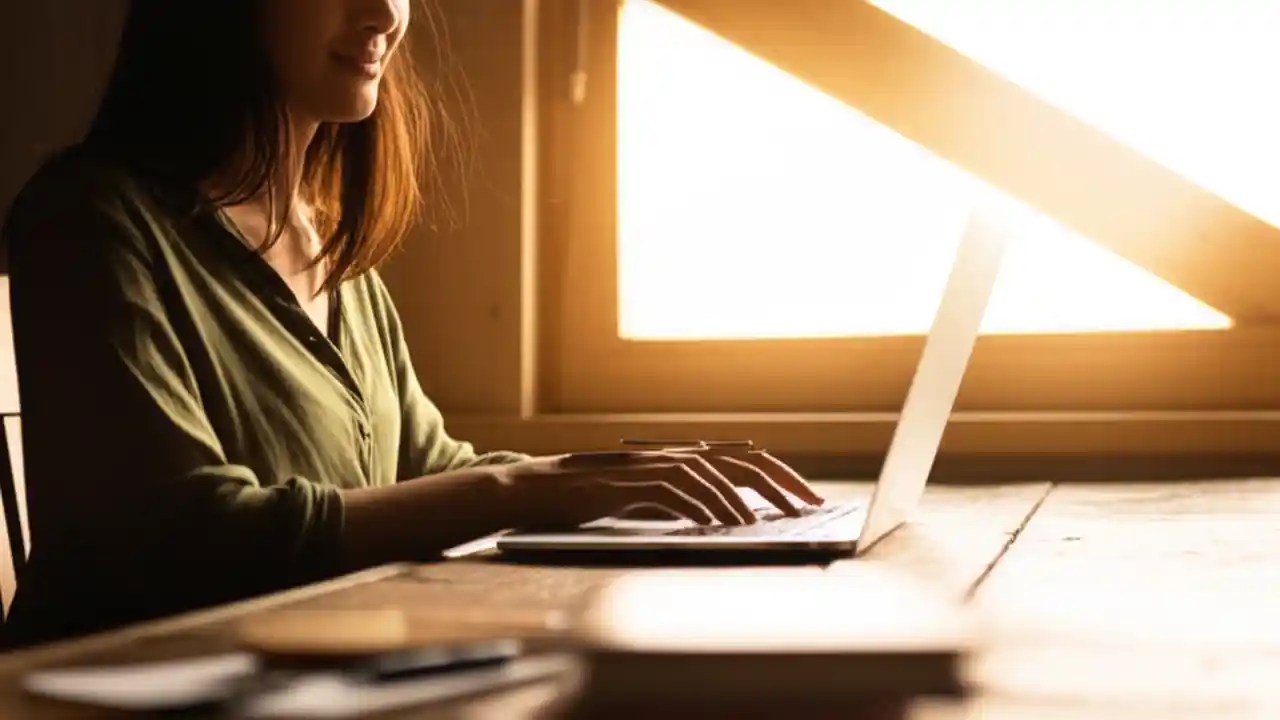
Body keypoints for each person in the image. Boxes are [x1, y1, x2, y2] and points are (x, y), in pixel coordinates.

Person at [0, 0, 824, 647]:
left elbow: (425, 470)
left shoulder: (332, 249)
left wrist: (630, 489)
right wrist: (526, 488)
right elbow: (181, 537)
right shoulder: (90, 221)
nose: (386, 13)